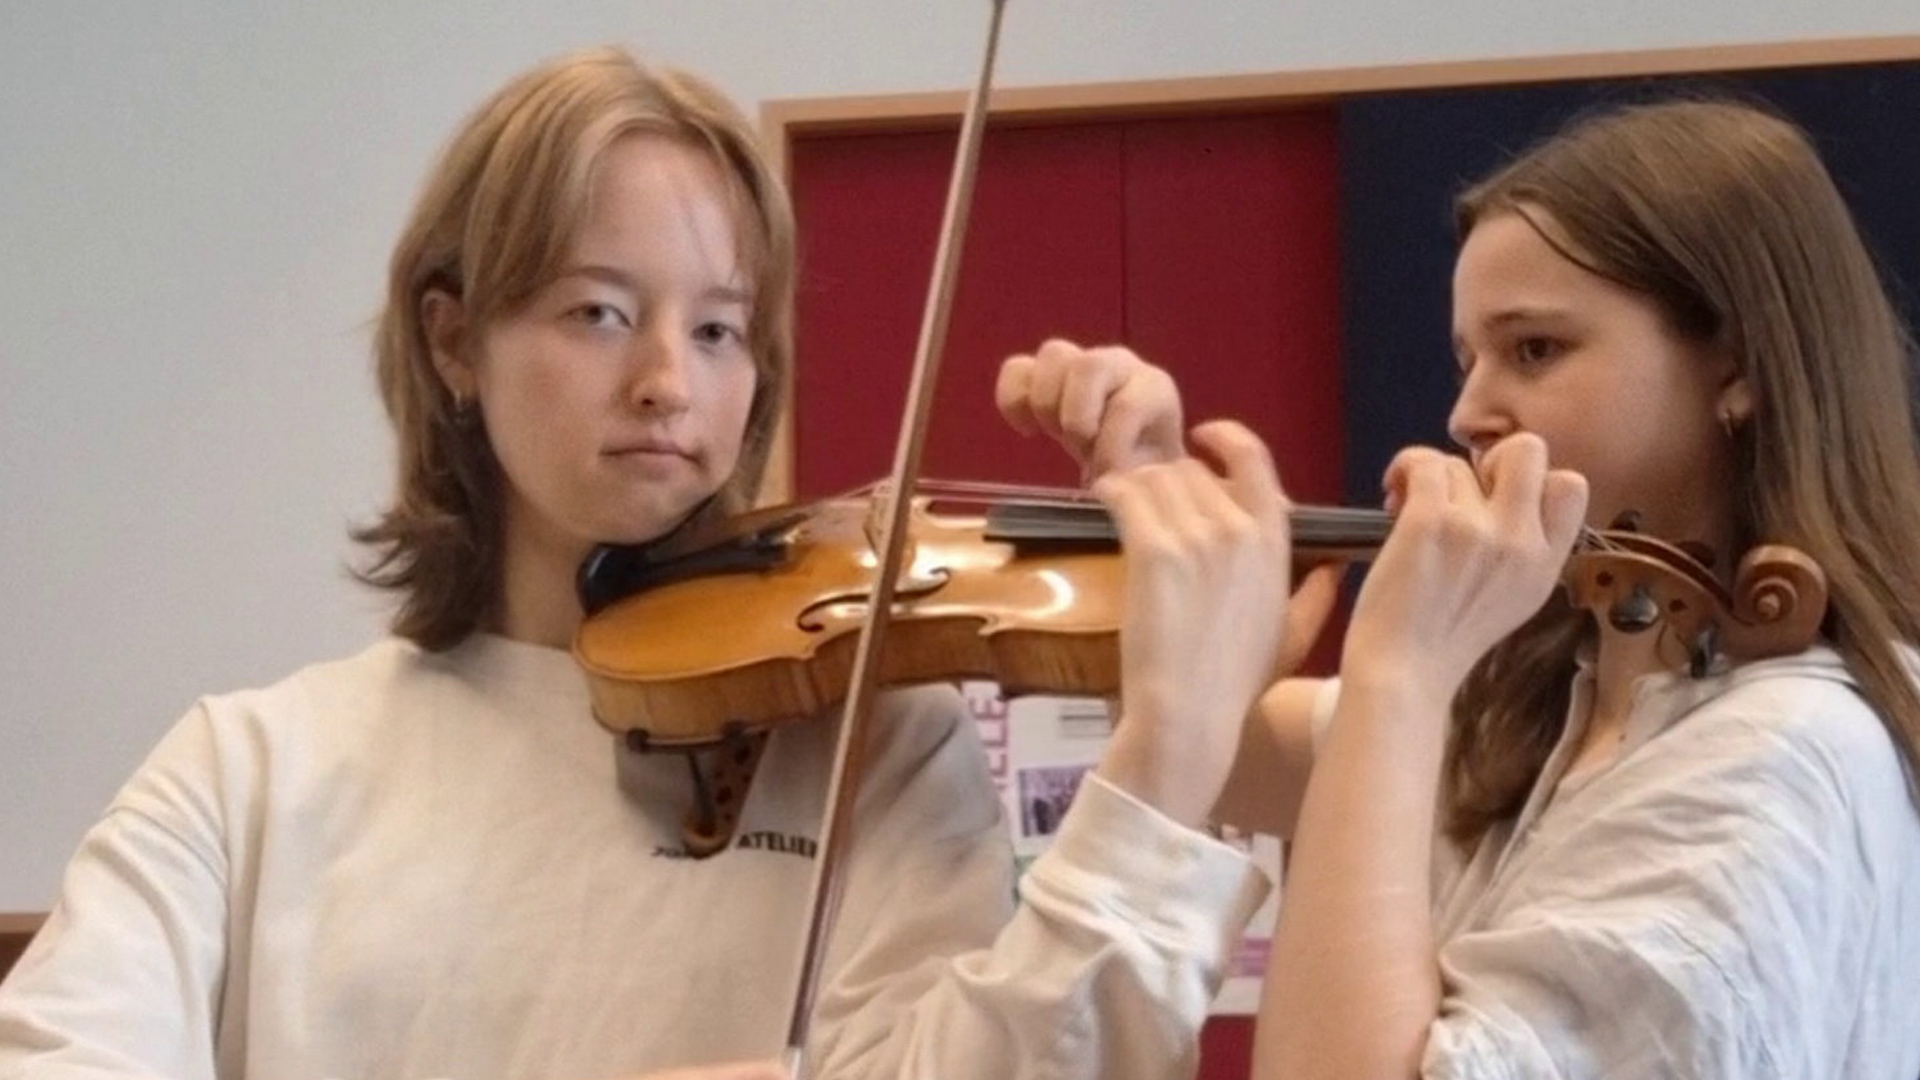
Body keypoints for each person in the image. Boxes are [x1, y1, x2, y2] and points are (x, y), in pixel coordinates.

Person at [0, 45, 1310, 1080]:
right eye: (600, 312)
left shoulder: (870, 743)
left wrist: (1169, 754)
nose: (669, 383)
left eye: (722, 328)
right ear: (455, 343)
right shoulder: (246, 777)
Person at [1003, 98, 1920, 1078]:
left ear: (1737, 365)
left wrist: (1401, 668)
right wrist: (1151, 501)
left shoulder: (1777, 754)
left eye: (1535, 350)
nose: (1466, 412)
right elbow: (1222, 760)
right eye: (1465, 359)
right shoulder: (1566, 695)